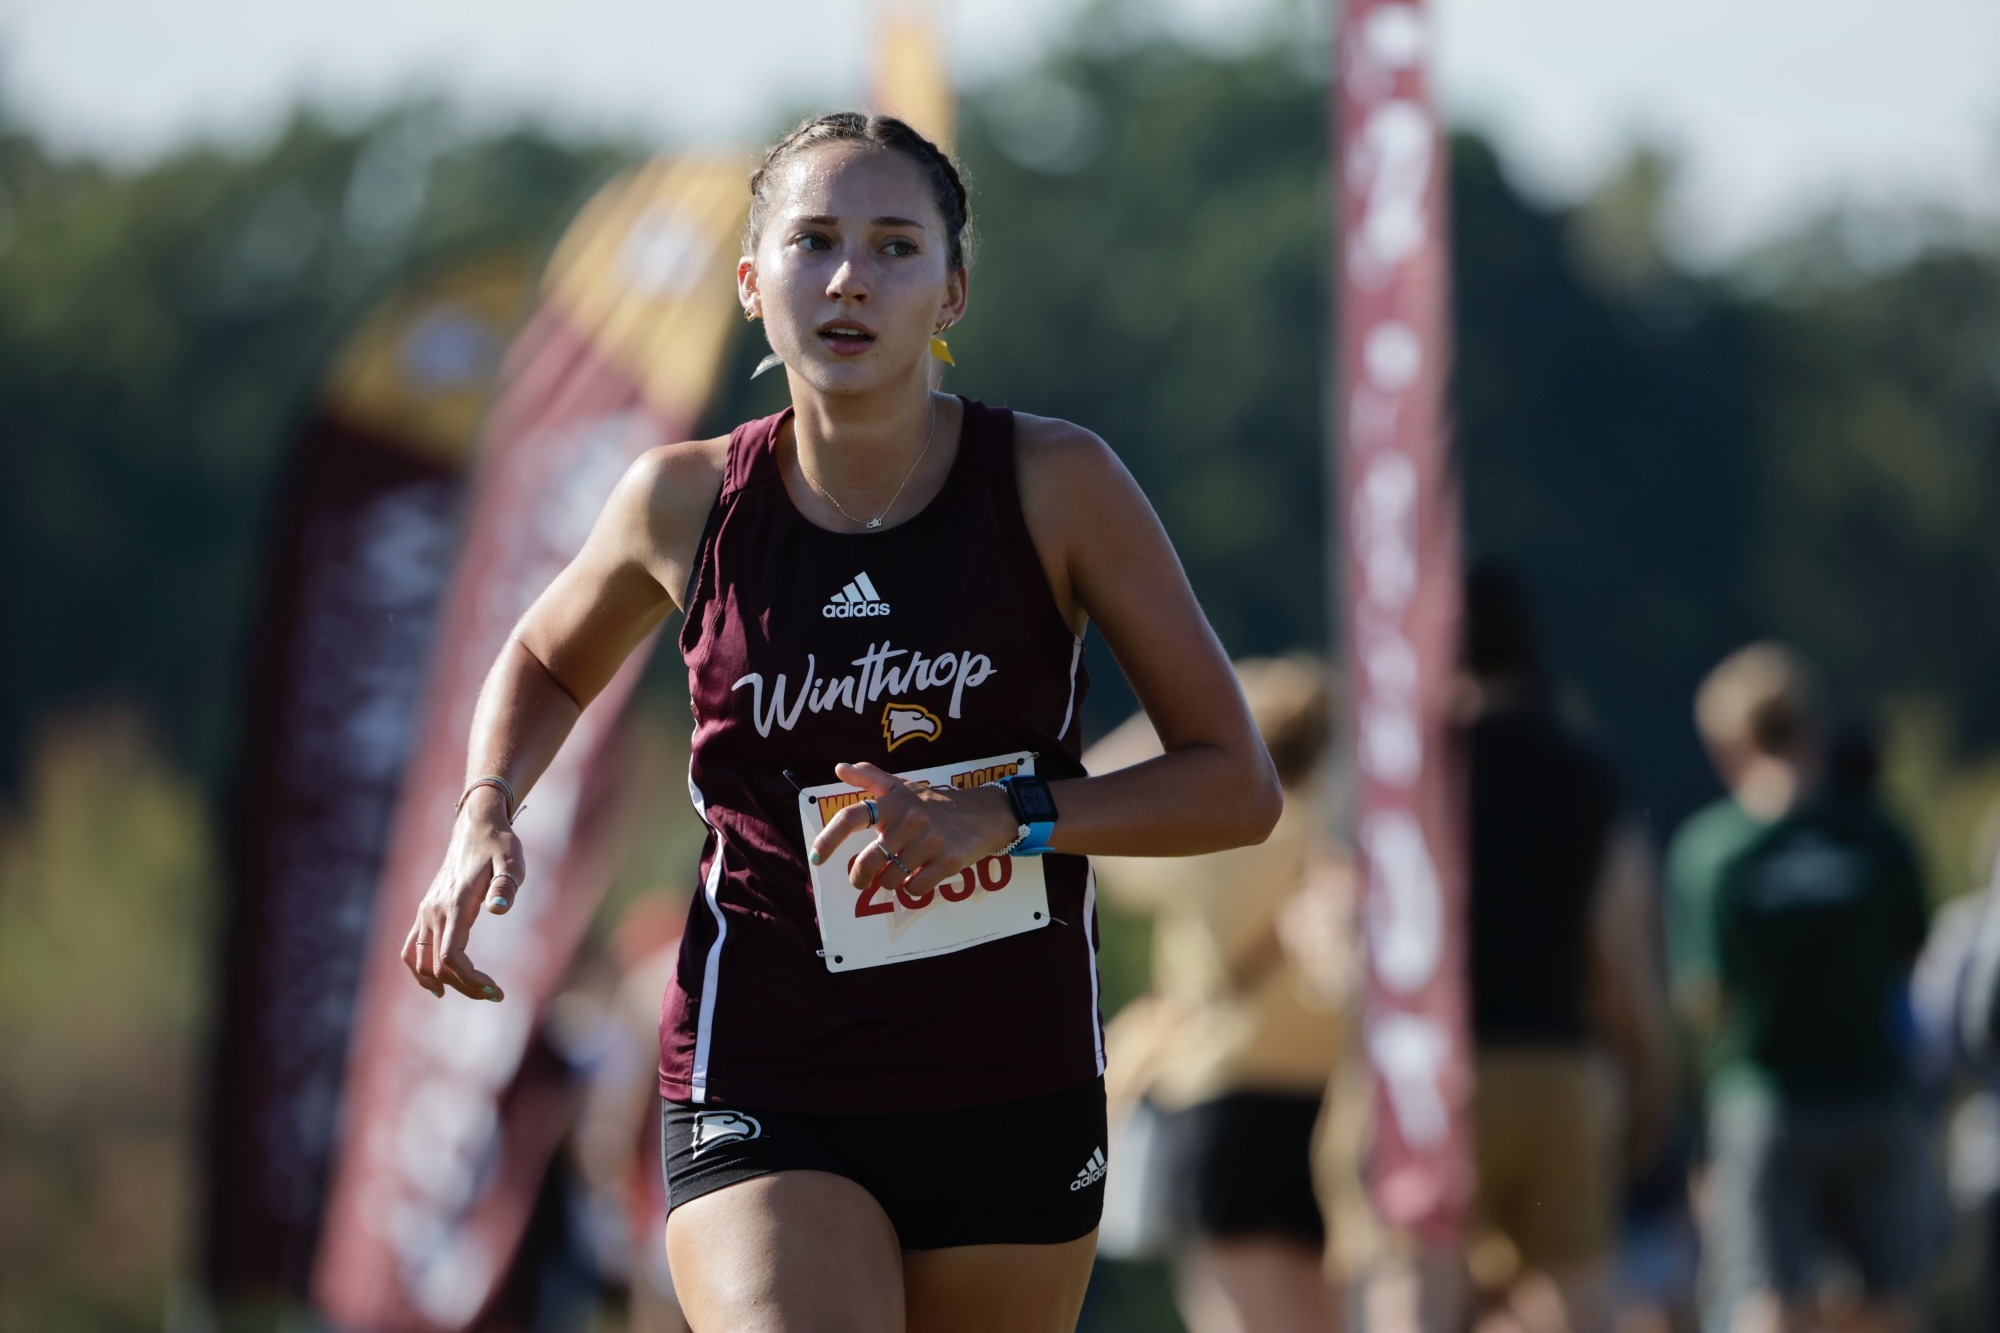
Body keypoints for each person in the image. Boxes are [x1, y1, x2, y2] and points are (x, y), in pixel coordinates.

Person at [397, 111, 1281, 1333]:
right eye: (812, 242)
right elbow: (544, 657)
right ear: (753, 284)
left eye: (894, 246)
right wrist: (483, 813)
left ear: (952, 289)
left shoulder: (1055, 483)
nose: (850, 277)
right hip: (764, 1068)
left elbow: (1233, 784)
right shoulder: (681, 499)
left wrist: (1006, 818)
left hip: (1007, 1083)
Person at [1666, 644, 1932, 1333]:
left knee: (1768, 1300)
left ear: (1731, 742)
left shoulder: (1715, 851)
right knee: (1887, 1301)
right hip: (1872, 1093)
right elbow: (1912, 963)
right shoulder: (1879, 839)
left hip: (1766, 1100)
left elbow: (1707, 997)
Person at [1087, 655, 1347, 1333]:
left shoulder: (1212, 830)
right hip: (1332, 1100)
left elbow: (1090, 787)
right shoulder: (1338, 831)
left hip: (1222, 1095)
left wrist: (1199, 707)